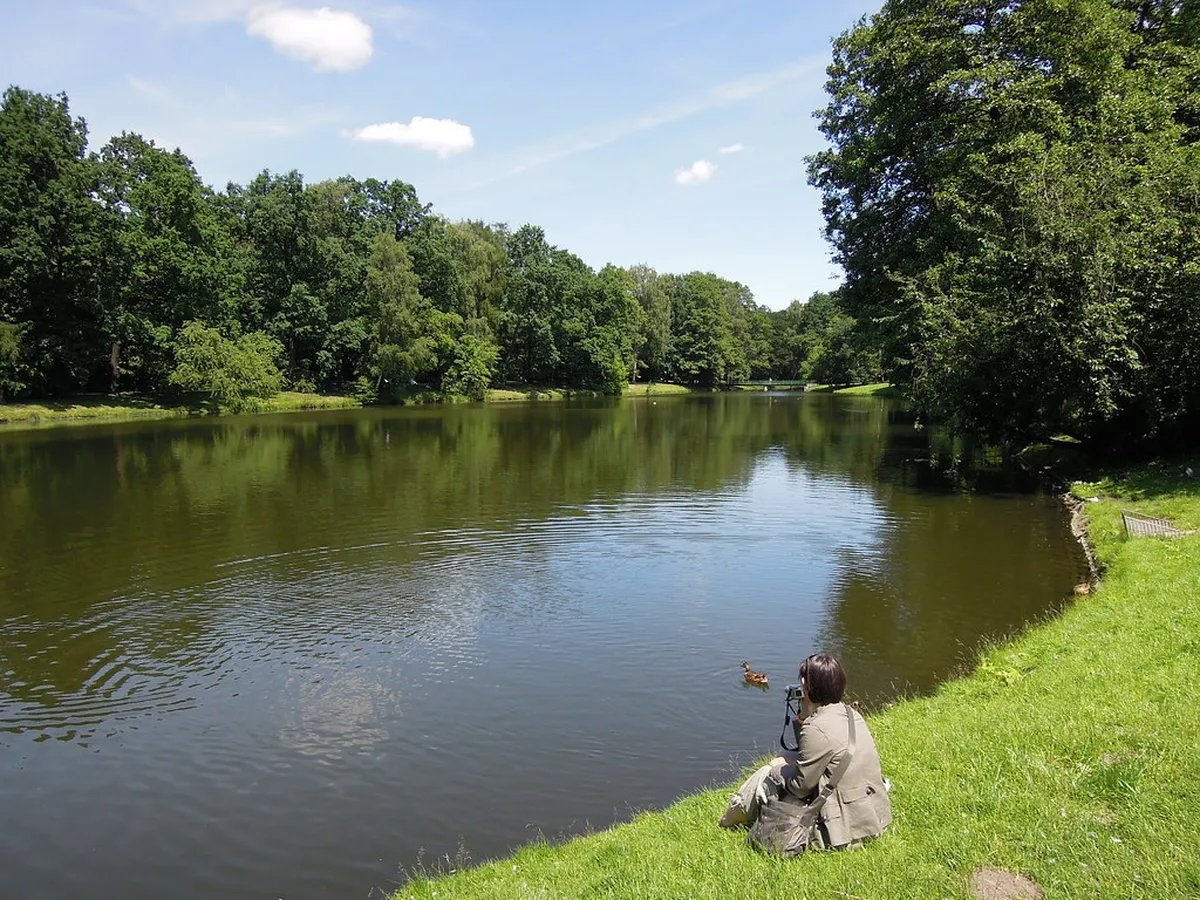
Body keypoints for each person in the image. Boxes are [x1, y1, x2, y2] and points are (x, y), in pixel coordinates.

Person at [718, 652, 892, 850]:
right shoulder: (851, 714)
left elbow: (799, 787)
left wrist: (777, 770)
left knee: (766, 774)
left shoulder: (816, 728)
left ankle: (726, 821)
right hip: (875, 818)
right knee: (786, 758)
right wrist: (804, 716)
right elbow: (818, 752)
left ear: (805, 686)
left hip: (847, 833)